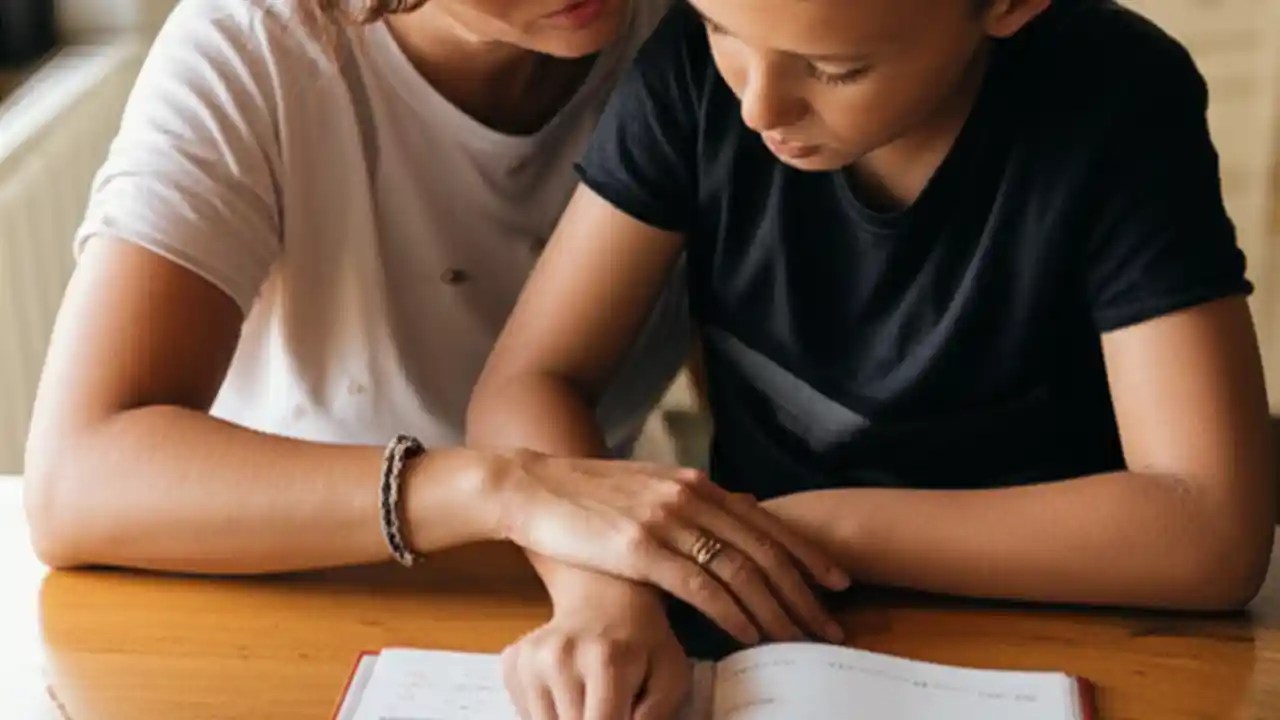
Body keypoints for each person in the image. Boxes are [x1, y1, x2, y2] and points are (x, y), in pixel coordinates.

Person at [23, 0, 854, 716]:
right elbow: (76, 479)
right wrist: (503, 486)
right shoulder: (257, 46)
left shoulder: (713, 34)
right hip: (285, 591)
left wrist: (601, 580)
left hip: (578, 587)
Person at [469, 0, 1279, 716]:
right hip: (765, 636)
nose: (758, 106)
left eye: (836, 68)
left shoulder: (1114, 93)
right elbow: (530, 380)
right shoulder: (690, 70)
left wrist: (824, 527)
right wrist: (604, 588)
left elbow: (1210, 530)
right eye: (723, 28)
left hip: (1062, 637)